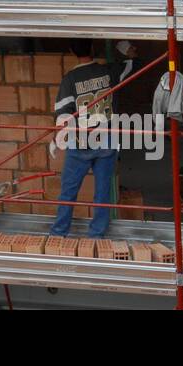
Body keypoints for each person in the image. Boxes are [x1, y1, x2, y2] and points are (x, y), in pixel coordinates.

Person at [49, 38, 118, 238]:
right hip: (106, 141)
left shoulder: (70, 79)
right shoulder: (108, 71)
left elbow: (63, 116)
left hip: (80, 143)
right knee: (102, 193)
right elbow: (132, 64)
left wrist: (56, 140)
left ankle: (59, 233)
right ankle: (96, 235)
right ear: (93, 48)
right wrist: (128, 50)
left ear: (72, 51)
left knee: (68, 191)